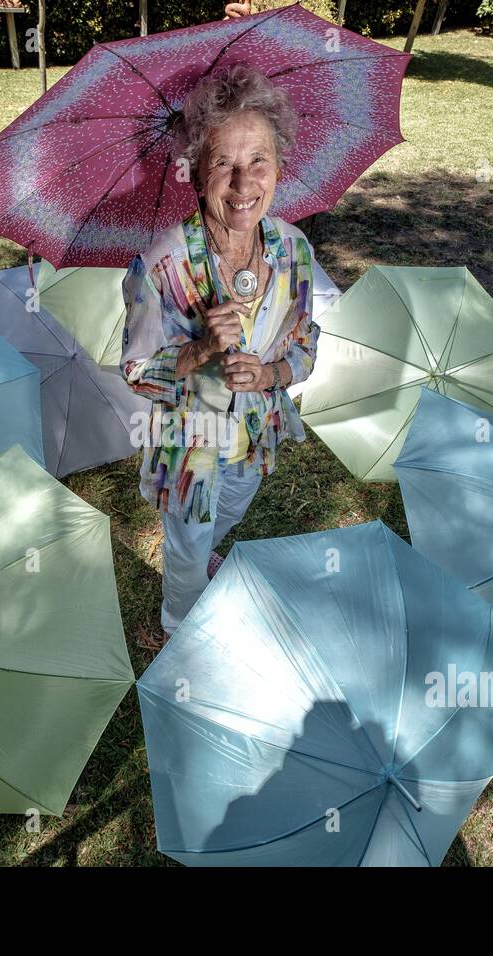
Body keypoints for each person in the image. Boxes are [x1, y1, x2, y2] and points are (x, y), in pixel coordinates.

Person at [120, 62, 321, 645]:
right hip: (189, 446)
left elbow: (306, 341)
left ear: (279, 166)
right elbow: (135, 371)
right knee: (186, 544)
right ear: (194, 173)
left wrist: (270, 373)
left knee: (227, 512)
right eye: (223, 164)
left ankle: (201, 553)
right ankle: (180, 625)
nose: (243, 183)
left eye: (258, 160)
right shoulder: (160, 263)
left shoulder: (294, 250)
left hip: (255, 434)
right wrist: (200, 349)